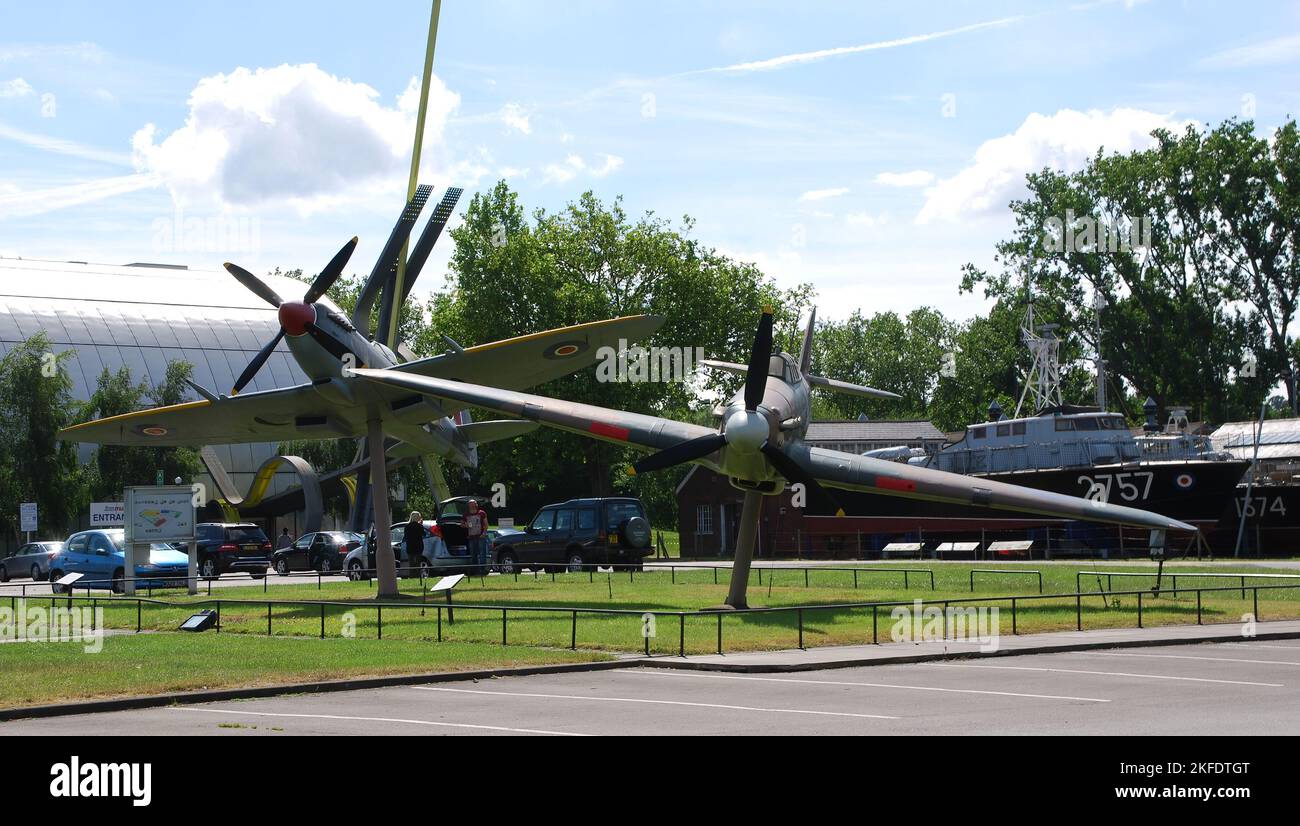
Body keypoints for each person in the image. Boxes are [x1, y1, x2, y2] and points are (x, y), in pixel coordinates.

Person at [465, 499, 489, 573]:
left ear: (476, 505)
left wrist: (484, 533)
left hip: (481, 536)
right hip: (471, 537)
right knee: (473, 554)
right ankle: (475, 569)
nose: (471, 505)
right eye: (470, 504)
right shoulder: (466, 514)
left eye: (473, 504)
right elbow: (462, 523)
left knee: (482, 553)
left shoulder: (482, 513)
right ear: (468, 505)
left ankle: (482, 569)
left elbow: (486, 524)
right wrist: (465, 525)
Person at [403, 511, 425, 576]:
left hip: (410, 546)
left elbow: (405, 536)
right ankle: (418, 576)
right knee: (418, 563)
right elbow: (423, 534)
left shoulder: (407, 526)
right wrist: (421, 524)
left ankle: (412, 575)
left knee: (411, 564)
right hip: (419, 546)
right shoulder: (419, 526)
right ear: (418, 518)